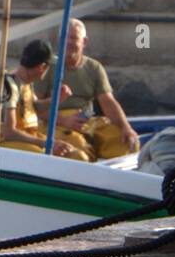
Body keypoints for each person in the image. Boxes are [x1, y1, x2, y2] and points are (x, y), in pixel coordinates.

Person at [31, 19, 140, 160]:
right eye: (65, 38)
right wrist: (64, 120)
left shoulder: (94, 68)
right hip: (55, 123)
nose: (69, 42)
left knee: (128, 144)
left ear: (84, 41)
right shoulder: (47, 67)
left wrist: (126, 127)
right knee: (79, 153)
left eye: (74, 38)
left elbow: (108, 102)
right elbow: (35, 107)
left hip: (87, 121)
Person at [0, 39, 81, 158]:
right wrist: (47, 144)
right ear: (42, 67)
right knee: (46, 156)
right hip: (0, 140)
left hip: (22, 134)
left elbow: (33, 107)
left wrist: (55, 100)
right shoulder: (10, 87)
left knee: (74, 153)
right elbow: (9, 132)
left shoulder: (25, 83)